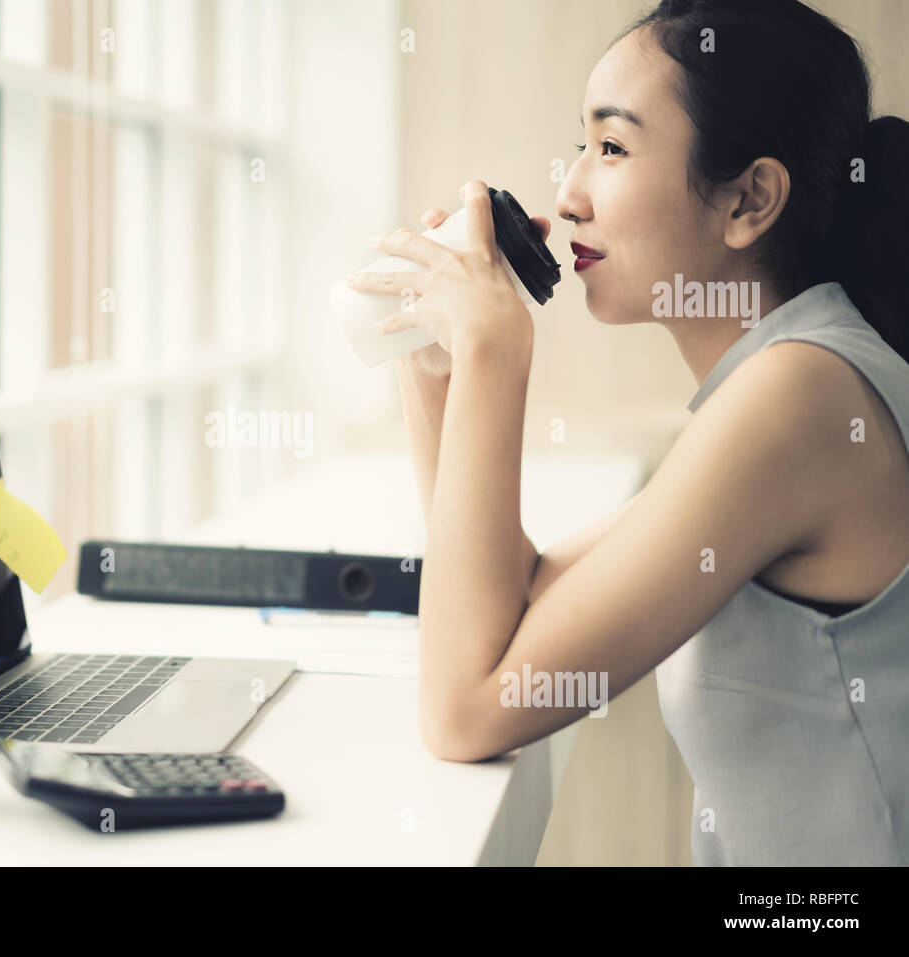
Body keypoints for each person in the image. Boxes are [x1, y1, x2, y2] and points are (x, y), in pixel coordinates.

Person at [345, 0, 909, 865]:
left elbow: (464, 710)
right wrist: (439, 375)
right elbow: (515, 609)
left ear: (750, 199)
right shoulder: (784, 380)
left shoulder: (800, 395)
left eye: (611, 147)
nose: (568, 193)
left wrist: (497, 354)